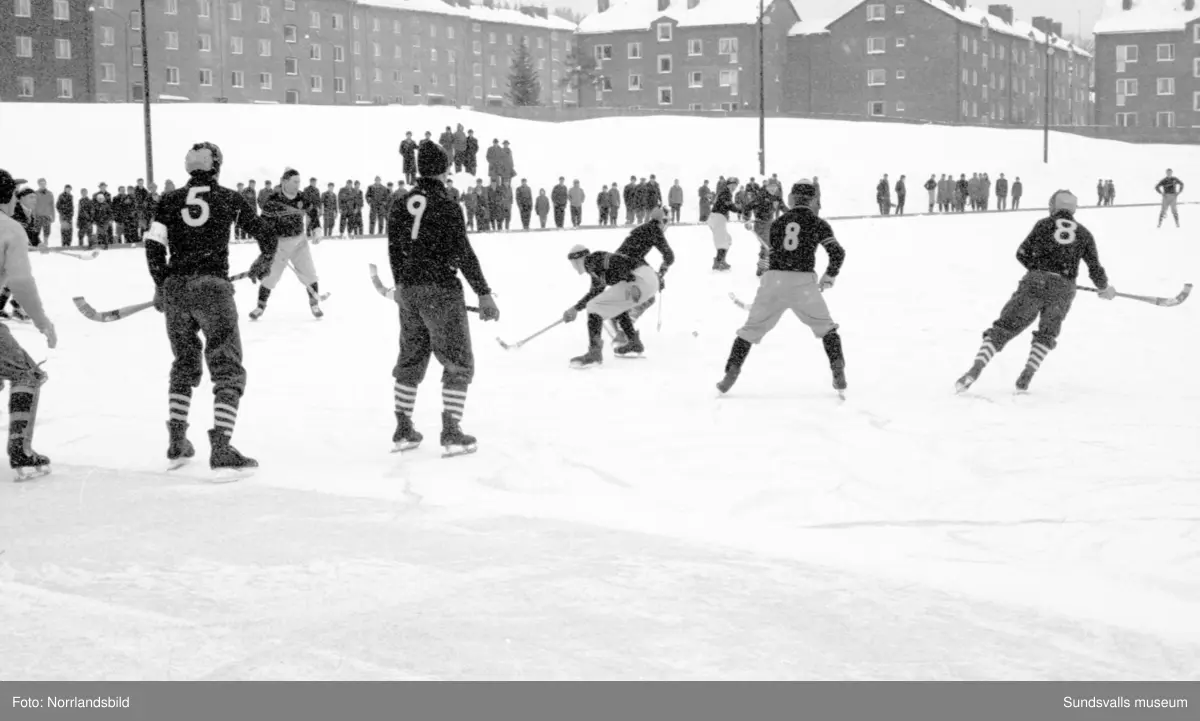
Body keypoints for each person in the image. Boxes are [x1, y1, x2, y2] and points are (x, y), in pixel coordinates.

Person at [144, 142, 277, 476]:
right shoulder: (229, 198)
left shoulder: (169, 200)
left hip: (177, 288)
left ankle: (177, 437)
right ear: (216, 166)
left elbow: (153, 245)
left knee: (184, 362)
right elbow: (266, 233)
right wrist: (264, 258)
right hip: (212, 288)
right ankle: (221, 444)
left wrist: (162, 283)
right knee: (227, 367)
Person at [387, 140, 500, 457]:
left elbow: (394, 250)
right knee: (457, 361)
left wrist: (401, 285)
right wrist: (484, 293)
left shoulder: (399, 204)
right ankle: (451, 432)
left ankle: (403, 428)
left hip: (409, 291)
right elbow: (463, 253)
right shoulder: (448, 205)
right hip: (440, 289)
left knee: (411, 358)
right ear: (444, 170)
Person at [955, 190, 1116, 394]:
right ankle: (1027, 375)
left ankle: (975, 369)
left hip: (1035, 282)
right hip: (1064, 289)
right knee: (1047, 333)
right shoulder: (1084, 233)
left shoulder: (1043, 225)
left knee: (1005, 327)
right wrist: (1104, 287)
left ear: (1053, 206)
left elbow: (1021, 253)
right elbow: (1095, 268)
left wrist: (1036, 270)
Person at [715, 180, 847, 396]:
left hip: (773, 281)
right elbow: (837, 253)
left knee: (749, 331)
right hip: (803, 283)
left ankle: (730, 375)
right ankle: (838, 369)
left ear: (791, 198)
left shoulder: (778, 223)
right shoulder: (818, 223)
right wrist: (830, 275)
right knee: (827, 329)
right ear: (813, 200)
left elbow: (774, 254)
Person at [0, 169, 57, 479]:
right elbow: (21, 282)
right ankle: (20, 451)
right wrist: (43, 322)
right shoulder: (10, 229)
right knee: (27, 374)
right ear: (9, 197)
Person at [563, 242, 660, 368]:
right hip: (649, 281)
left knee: (593, 306)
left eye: (573, 263)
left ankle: (594, 353)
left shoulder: (592, 259)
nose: (574, 266)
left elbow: (618, 261)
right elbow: (595, 292)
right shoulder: (595, 270)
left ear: (578, 259)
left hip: (639, 279)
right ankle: (634, 343)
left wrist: (630, 280)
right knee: (614, 306)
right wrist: (575, 309)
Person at [249, 168, 324, 320]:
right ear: (284, 181)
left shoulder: (302, 198)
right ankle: (260, 306)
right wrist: (268, 247)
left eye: (299, 182)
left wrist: (316, 227)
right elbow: (264, 226)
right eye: (295, 181)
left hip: (299, 243)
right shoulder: (273, 201)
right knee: (270, 277)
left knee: (309, 274)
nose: (298, 185)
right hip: (279, 245)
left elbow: (313, 212)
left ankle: (314, 303)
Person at [610, 206, 675, 345]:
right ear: (662, 220)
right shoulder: (654, 230)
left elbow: (635, 254)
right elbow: (669, 256)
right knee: (648, 296)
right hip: (626, 264)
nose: (667, 225)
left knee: (636, 293)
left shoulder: (645, 228)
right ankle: (623, 331)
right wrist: (661, 273)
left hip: (618, 264)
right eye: (667, 222)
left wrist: (655, 275)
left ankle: (617, 318)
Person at [708, 177, 739, 271]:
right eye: (732, 185)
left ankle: (720, 260)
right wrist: (740, 209)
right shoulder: (725, 193)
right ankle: (719, 262)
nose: (734, 187)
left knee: (727, 239)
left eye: (735, 185)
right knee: (723, 241)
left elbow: (728, 205)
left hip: (718, 218)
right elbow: (729, 205)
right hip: (717, 218)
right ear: (728, 185)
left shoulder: (726, 193)